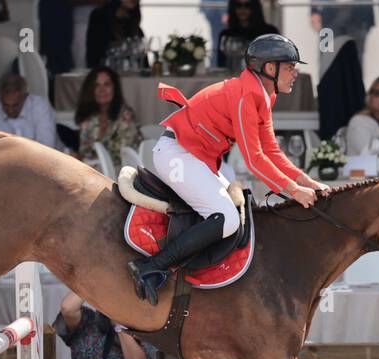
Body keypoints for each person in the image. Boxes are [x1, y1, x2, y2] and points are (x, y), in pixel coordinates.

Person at [128, 34, 329, 305]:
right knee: (226, 218)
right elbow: (255, 160)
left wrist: (310, 183)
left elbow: (272, 152)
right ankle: (150, 267)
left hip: (193, 156)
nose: (296, 73)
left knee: (240, 209)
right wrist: (294, 190)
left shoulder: (263, 96)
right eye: (291, 67)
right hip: (177, 155)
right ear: (271, 68)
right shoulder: (247, 95)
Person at [75, 66, 141, 167]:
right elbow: (85, 151)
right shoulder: (89, 116)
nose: (102, 90)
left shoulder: (126, 116)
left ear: (115, 88)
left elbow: (121, 156)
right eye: (97, 85)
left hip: (125, 172)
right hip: (94, 171)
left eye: (107, 84)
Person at [0, 72, 58, 148]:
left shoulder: (40, 107)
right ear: (0, 96)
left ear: (25, 97)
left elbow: (47, 147)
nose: (10, 110)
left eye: (15, 105)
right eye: (5, 105)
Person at [217, 0, 276, 69]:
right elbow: (221, 65)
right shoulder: (226, 35)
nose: (243, 10)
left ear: (255, 7)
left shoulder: (270, 33)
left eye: (248, 5)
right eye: (238, 5)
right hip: (233, 77)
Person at [86, 0, 144, 69]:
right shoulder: (100, 17)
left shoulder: (133, 23)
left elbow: (142, 58)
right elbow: (94, 55)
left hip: (132, 75)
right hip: (106, 74)